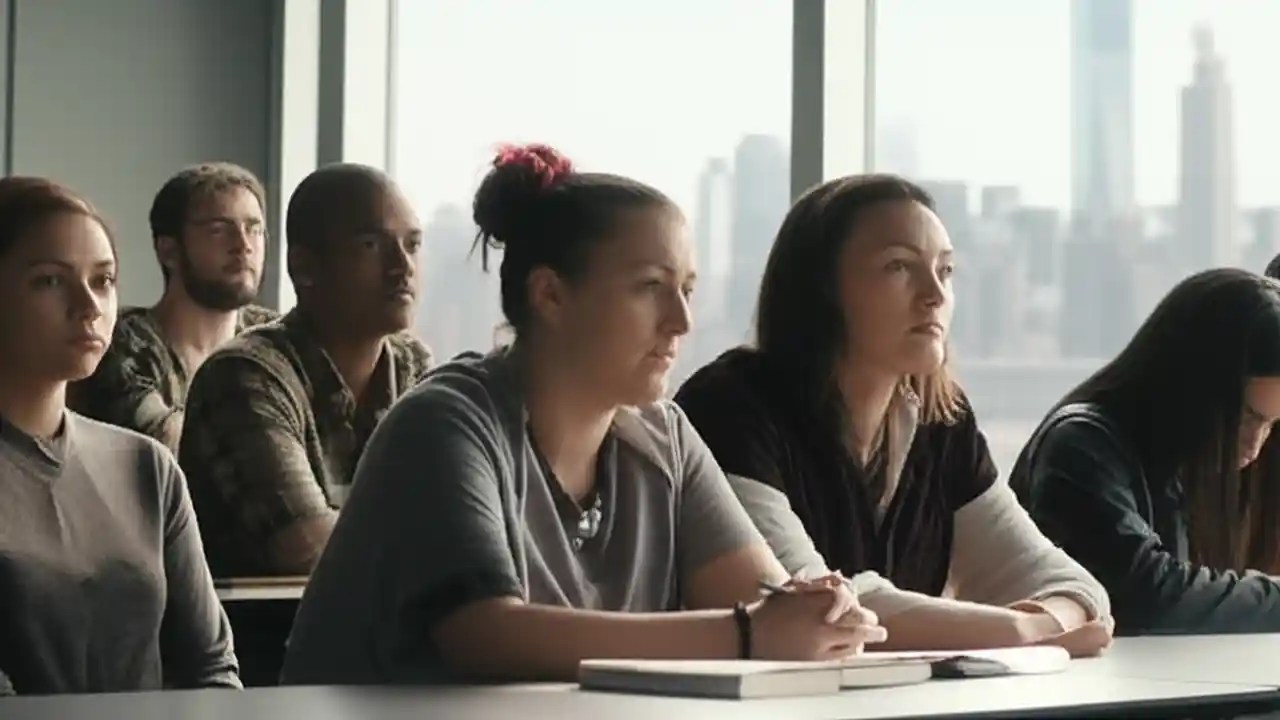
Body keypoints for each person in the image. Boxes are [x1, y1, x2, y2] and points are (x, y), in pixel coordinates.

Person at [280, 145, 884, 686]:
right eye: (650, 287)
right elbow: (482, 635)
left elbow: (760, 598)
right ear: (550, 296)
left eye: (687, 290)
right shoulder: (445, 423)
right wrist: (749, 635)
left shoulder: (665, 437)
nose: (681, 321)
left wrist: (817, 614)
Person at [675, 174, 1113, 655]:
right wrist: (1024, 630)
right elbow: (804, 606)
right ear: (820, 290)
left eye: (945, 271)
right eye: (899, 267)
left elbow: (1071, 584)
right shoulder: (732, 405)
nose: (934, 295)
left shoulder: (940, 418)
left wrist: (1044, 617)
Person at [0, 177, 238, 694]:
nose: (89, 306)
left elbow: (212, 668)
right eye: (49, 281)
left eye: (103, 280)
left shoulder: (146, 467)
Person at [179, 164, 432, 578]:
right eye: (371, 244)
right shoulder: (245, 375)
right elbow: (311, 551)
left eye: (413, 244)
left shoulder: (413, 367)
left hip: (389, 629)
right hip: (267, 635)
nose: (402, 266)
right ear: (304, 268)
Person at [1011, 268, 1280, 634]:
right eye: (1247, 418)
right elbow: (1144, 596)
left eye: (1270, 425)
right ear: (1192, 386)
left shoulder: (1191, 469)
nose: (1254, 445)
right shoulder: (1082, 445)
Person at [69, 163, 278, 451]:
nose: (243, 245)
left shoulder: (274, 339)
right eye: (219, 230)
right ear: (169, 251)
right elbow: (177, 451)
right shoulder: (123, 345)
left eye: (253, 229)